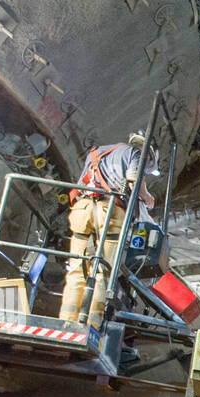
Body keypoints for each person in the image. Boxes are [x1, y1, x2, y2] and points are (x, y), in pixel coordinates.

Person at [59, 130, 161, 327]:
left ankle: (67, 321)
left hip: (82, 208)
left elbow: (82, 183)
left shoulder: (97, 152)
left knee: (77, 268)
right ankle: (92, 324)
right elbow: (134, 181)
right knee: (102, 272)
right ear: (150, 154)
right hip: (109, 213)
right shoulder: (136, 154)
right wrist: (148, 198)